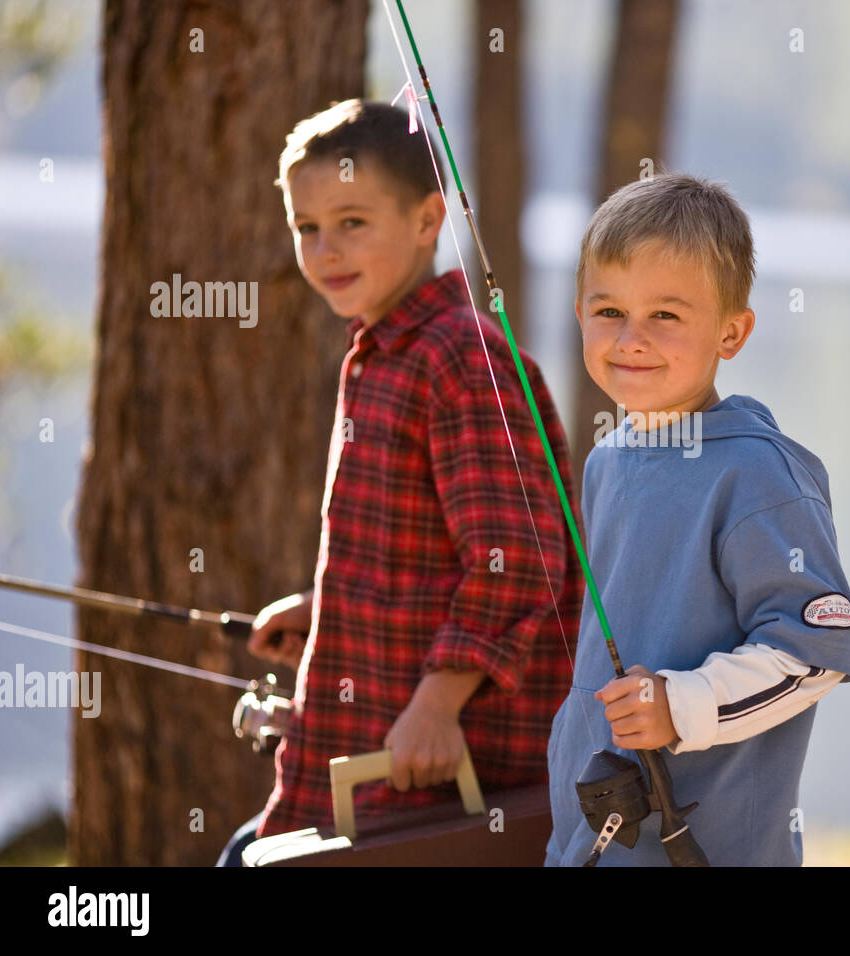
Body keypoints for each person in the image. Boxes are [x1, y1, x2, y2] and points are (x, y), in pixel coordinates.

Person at [217, 99, 583, 864]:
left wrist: (438, 701)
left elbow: (516, 557)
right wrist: (334, 612)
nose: (325, 250)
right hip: (369, 750)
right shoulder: (384, 353)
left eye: (352, 221)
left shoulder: (459, 356)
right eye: (306, 228)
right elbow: (427, 553)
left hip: (443, 769)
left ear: (427, 221)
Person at [544, 173, 850, 866]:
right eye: (607, 311)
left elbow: (815, 654)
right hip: (595, 842)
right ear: (577, 312)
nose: (630, 338)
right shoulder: (607, 458)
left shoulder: (757, 473)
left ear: (732, 332)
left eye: (665, 316)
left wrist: (681, 705)